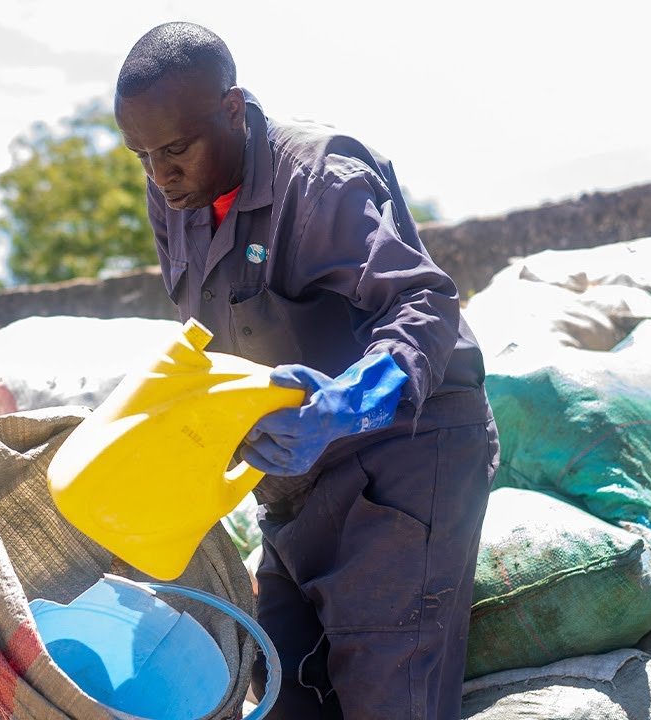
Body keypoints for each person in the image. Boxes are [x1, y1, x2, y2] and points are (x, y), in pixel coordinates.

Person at [114, 22, 500, 719]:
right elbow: (212, 335)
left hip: (403, 458)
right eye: (141, 155)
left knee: (390, 694)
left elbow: (424, 303)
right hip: (292, 479)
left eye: (175, 148)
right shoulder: (174, 197)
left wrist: (346, 406)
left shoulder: (321, 176)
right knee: (286, 694)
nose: (159, 173)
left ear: (232, 109)